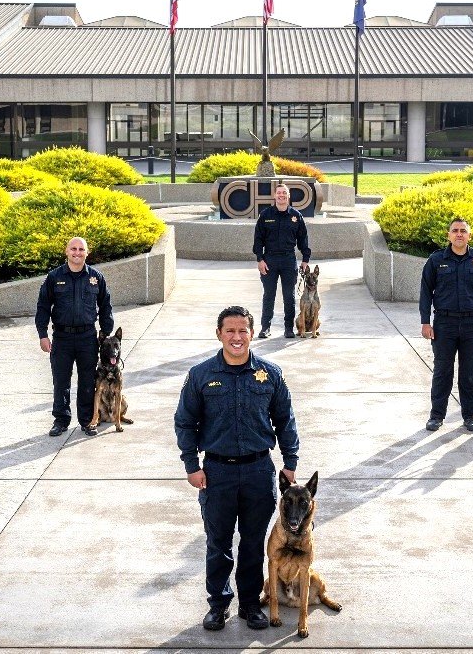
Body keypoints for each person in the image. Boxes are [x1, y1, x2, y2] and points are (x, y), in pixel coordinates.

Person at [174, 305, 300, 632]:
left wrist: (290, 462)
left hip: (260, 471)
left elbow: (285, 420)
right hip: (217, 473)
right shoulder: (201, 375)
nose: (236, 337)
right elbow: (185, 422)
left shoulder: (270, 374)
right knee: (218, 542)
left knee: (253, 542)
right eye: (229, 330)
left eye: (242, 330)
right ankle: (218, 604)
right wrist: (191, 465)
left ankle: (248, 604)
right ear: (218, 334)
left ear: (252, 333)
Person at [420, 217, 473, 433]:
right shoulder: (436, 261)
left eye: (463, 231)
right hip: (444, 323)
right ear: (448, 235)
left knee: (469, 373)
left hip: (472, 323)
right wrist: (425, 322)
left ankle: (470, 416)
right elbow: (426, 293)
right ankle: (436, 416)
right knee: (442, 372)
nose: (459, 234)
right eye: (455, 230)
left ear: (469, 235)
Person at [35, 237, 114, 437]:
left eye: (81, 249)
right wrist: (43, 335)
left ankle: (87, 421)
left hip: (88, 337)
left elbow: (106, 307)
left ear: (87, 253)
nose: (77, 252)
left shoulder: (96, 277)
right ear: (66, 251)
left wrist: (106, 334)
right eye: (73, 249)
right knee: (61, 381)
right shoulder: (54, 277)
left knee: (87, 382)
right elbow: (43, 307)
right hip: (62, 338)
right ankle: (61, 420)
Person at [252, 183, 311, 339]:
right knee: (269, 295)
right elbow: (258, 239)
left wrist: (305, 260)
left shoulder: (296, 216)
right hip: (269, 259)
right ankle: (265, 328)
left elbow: (303, 239)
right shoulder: (266, 215)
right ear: (274, 195)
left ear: (288, 196)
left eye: (284, 193)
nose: (281, 196)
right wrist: (259, 259)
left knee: (289, 296)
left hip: (288, 259)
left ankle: (288, 328)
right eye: (279, 193)